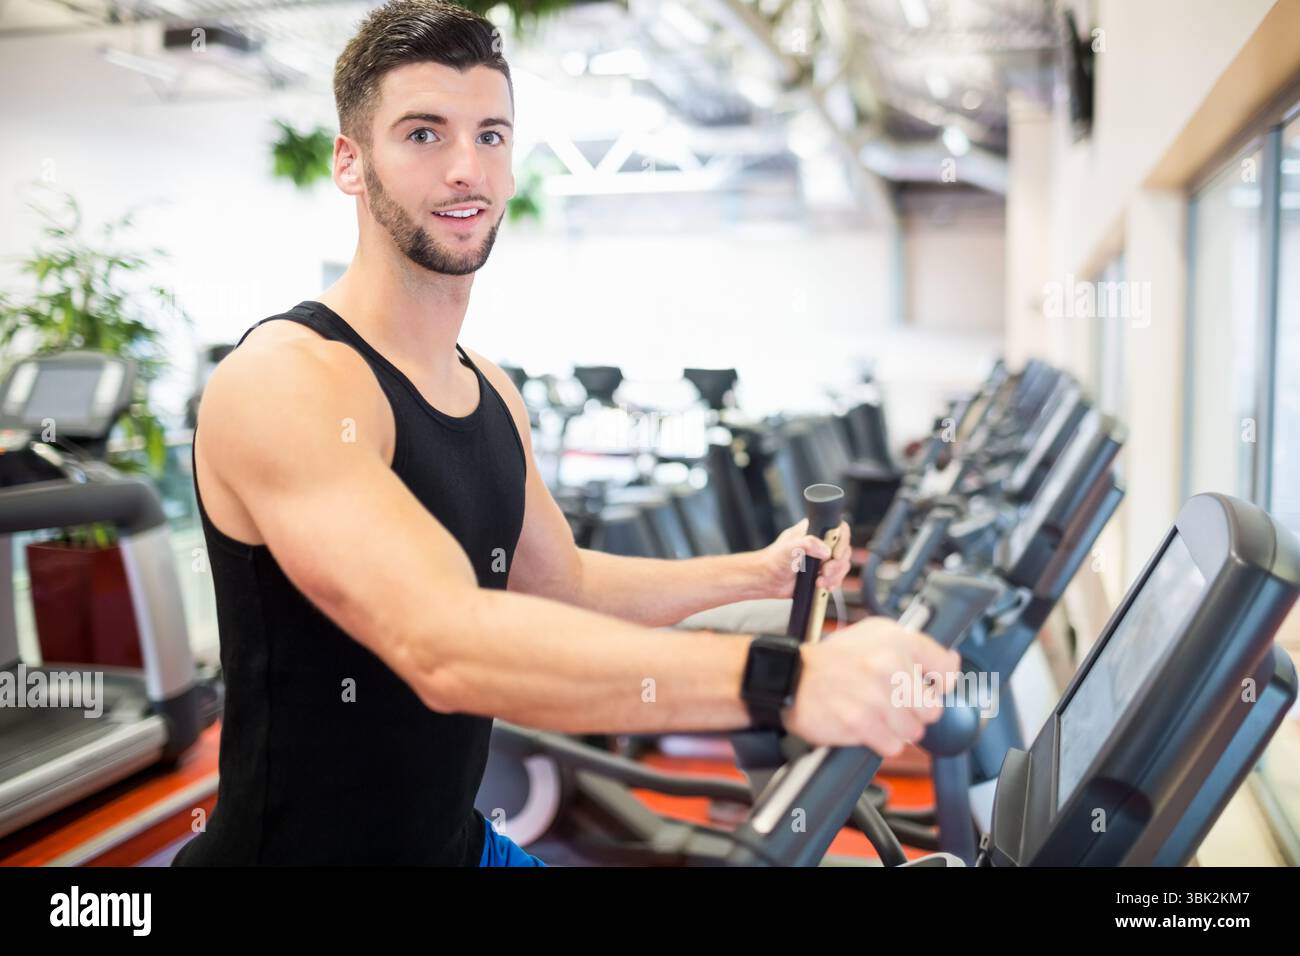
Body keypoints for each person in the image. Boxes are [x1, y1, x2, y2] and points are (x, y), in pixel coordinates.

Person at [172, 0, 958, 867]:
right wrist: (785, 684)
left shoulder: (490, 391)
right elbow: (442, 641)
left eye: (491, 135)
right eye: (424, 134)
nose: (466, 168)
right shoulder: (289, 378)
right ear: (351, 164)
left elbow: (563, 583)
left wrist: (758, 571)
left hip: (461, 848)